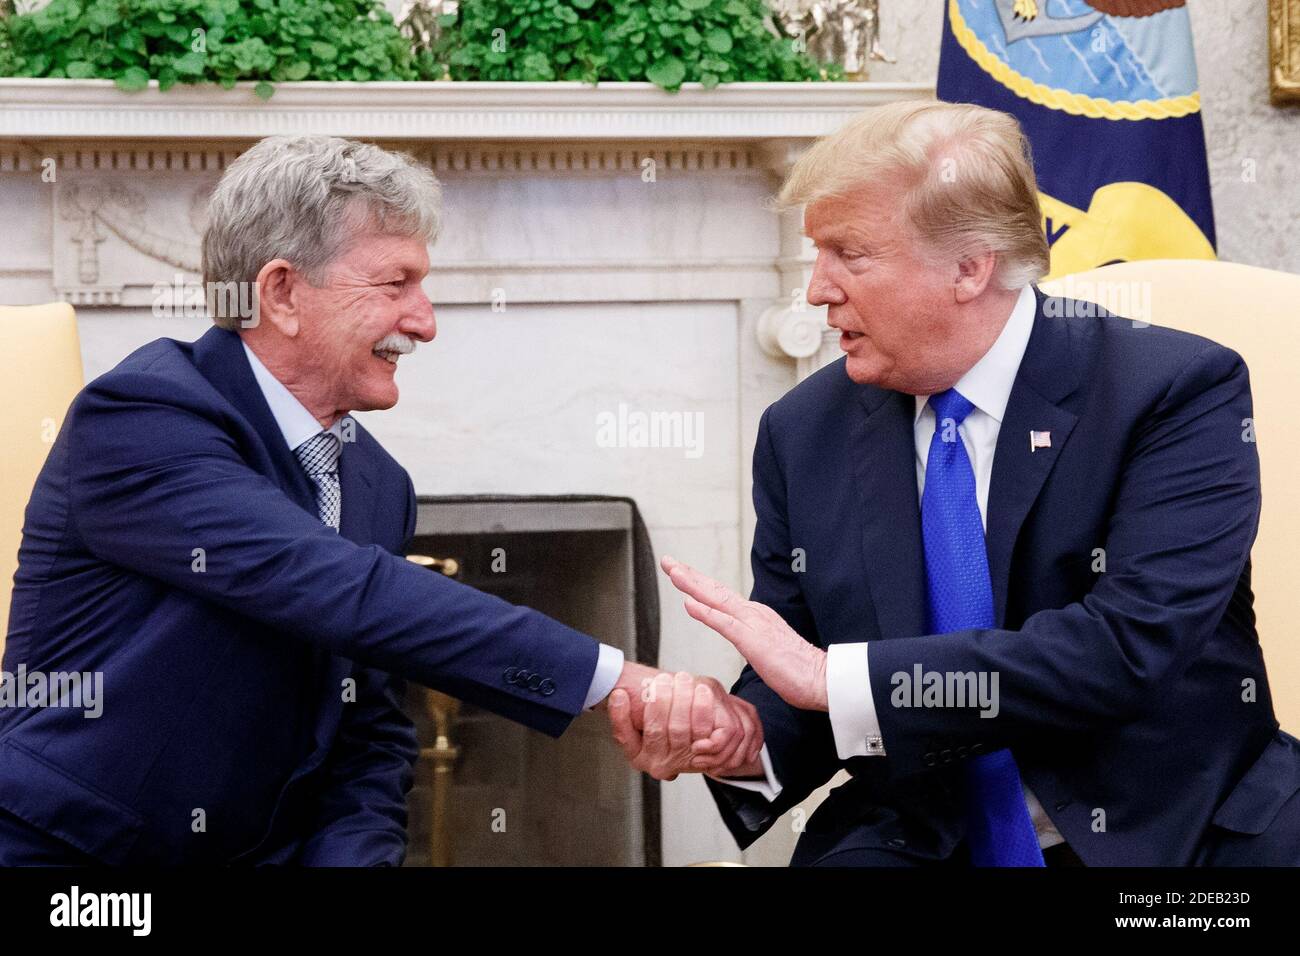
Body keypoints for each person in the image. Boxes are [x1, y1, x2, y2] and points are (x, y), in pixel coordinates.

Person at [0, 135, 760, 865]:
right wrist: (615, 679)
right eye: (395, 285)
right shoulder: (142, 417)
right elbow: (340, 588)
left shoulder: (375, 482)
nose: (424, 323)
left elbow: (367, 735)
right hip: (75, 850)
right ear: (282, 292)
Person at [655, 100, 1300, 866]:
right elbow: (806, 670)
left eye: (849, 255)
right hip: (923, 833)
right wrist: (740, 736)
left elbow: (1126, 649)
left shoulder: (1172, 392)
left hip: (1168, 826)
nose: (818, 290)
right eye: (815, 254)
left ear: (970, 266)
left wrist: (834, 678)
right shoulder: (803, 432)